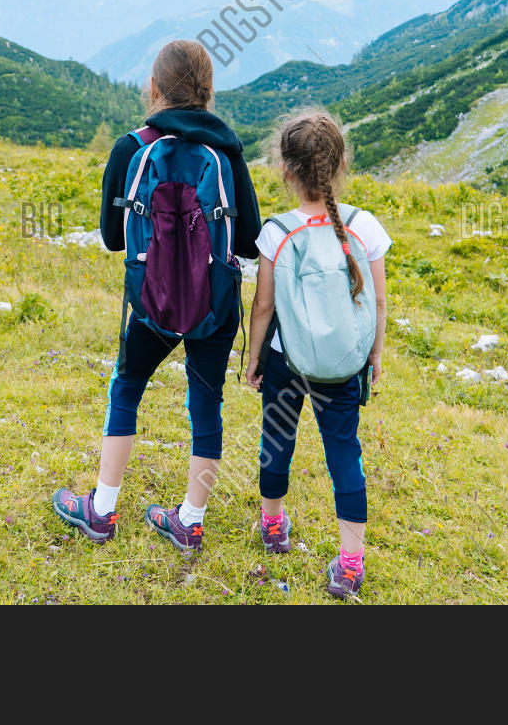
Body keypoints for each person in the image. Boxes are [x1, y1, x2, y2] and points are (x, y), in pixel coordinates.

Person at [52, 39, 261, 552]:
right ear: (208, 91)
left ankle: (101, 510)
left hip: (151, 300)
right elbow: (252, 238)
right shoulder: (227, 149)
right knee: (205, 403)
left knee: (127, 386)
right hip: (214, 304)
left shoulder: (131, 147)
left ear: (154, 88)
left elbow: (112, 237)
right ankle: (190, 519)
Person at [244, 109, 389, 598]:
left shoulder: (277, 231)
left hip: (287, 361)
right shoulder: (363, 226)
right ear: (341, 164)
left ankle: (274, 526)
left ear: (285, 170)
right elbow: (379, 301)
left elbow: (264, 305)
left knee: (277, 438)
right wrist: (374, 355)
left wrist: (253, 357)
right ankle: (350, 564)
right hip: (346, 362)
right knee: (345, 453)